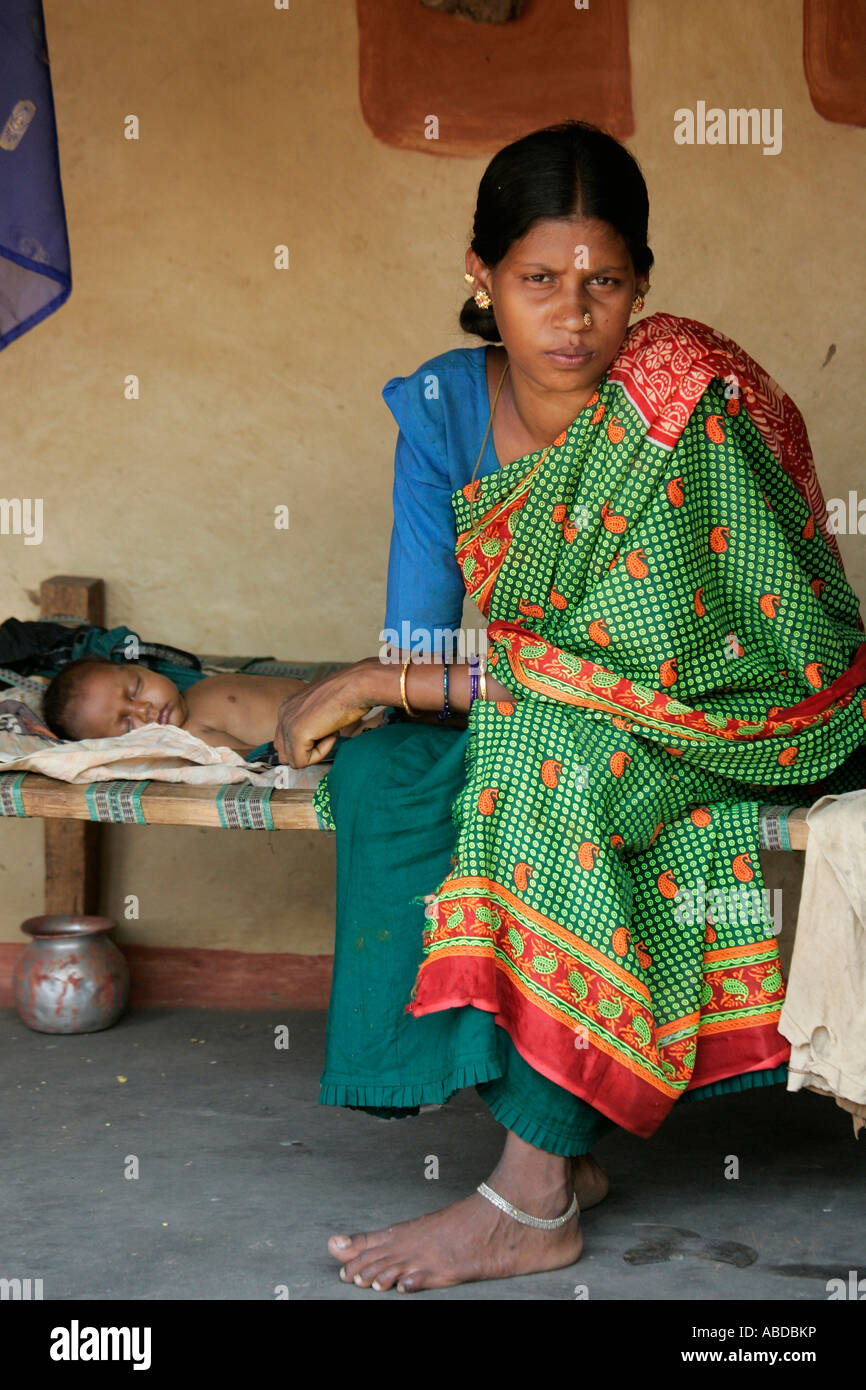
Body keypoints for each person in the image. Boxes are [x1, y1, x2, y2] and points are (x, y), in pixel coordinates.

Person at [272, 120, 866, 1294]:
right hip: (564, 702)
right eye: (538, 280)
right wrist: (386, 687)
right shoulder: (442, 407)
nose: (571, 315)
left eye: (604, 283)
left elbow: (708, 643)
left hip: (750, 706)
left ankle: (529, 1196)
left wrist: (372, 684)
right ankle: (562, 1123)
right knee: (388, 773)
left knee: (553, 756)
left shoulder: (677, 395)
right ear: (479, 275)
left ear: (641, 285)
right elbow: (425, 650)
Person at [41, 655, 381, 754]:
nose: (142, 710)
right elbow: (259, 755)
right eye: (127, 724)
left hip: (357, 706)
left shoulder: (199, 686)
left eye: (135, 689)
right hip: (356, 736)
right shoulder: (193, 736)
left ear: (142, 667)